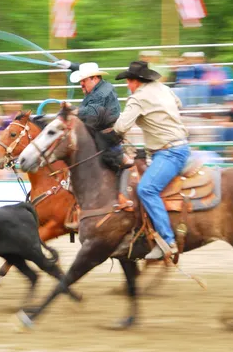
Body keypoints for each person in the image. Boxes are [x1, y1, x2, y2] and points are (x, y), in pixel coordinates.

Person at [112, 61, 190, 260]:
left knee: (146, 189)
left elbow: (120, 127)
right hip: (176, 146)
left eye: (128, 82)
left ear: (134, 81)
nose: (128, 86)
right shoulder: (163, 88)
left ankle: (167, 241)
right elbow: (179, 104)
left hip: (169, 153)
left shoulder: (138, 98)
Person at [55, 60, 121, 130]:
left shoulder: (101, 93)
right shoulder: (102, 87)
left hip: (105, 134)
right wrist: (70, 65)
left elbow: (92, 112)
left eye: (84, 80)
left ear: (95, 78)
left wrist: (71, 108)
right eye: (80, 80)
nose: (81, 84)